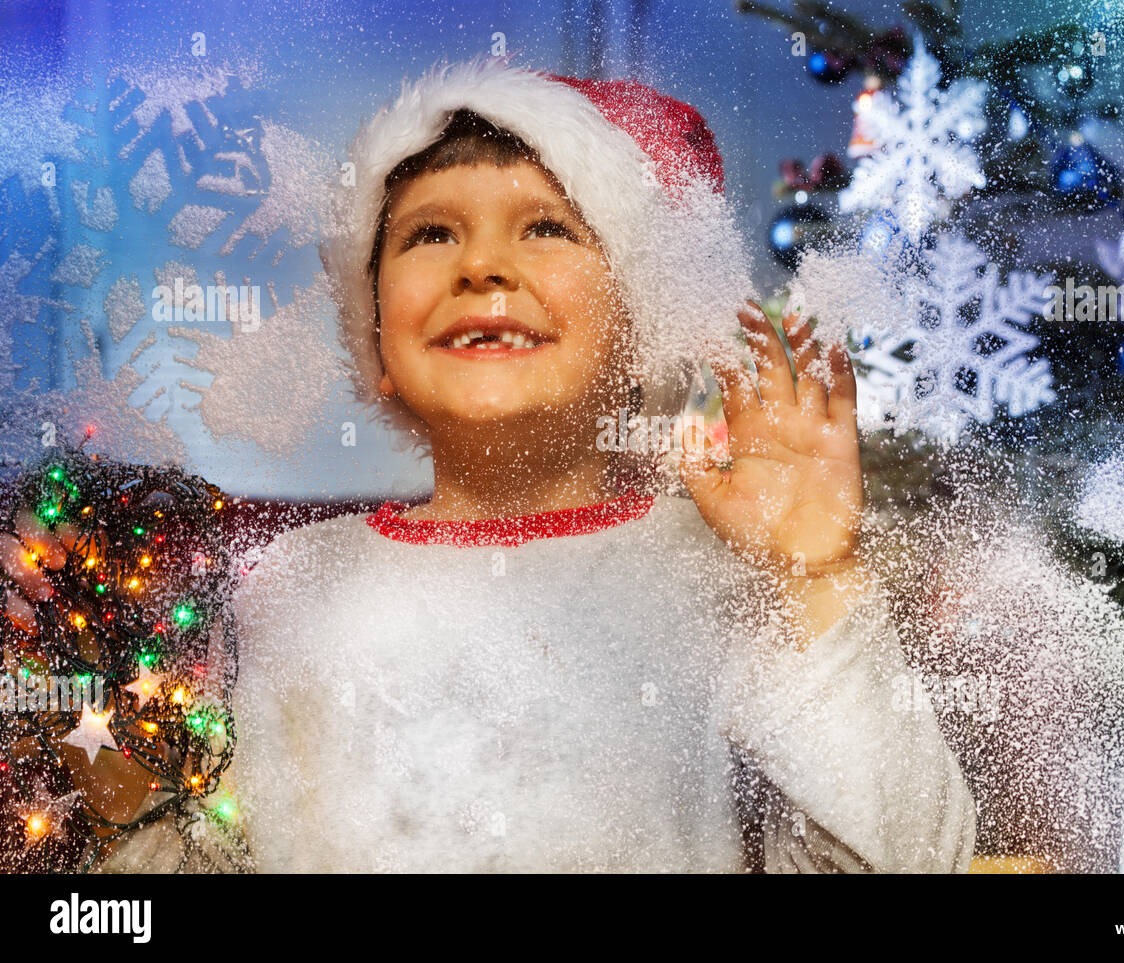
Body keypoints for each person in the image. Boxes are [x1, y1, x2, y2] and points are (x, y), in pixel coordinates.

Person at [4, 57, 974, 872]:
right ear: (375, 340)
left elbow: (900, 860)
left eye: (546, 227)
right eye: (431, 233)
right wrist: (138, 834)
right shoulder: (291, 581)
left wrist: (812, 578)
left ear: (647, 318)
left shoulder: (725, 574)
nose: (481, 266)